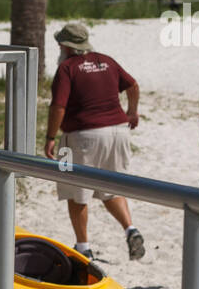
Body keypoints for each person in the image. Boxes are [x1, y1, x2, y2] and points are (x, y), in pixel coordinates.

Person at [43, 22, 145, 261]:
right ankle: (131, 229)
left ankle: (83, 245)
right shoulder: (107, 61)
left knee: (74, 190)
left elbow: (59, 106)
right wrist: (132, 112)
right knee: (111, 188)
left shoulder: (67, 68)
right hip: (118, 132)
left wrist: (50, 138)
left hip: (80, 135)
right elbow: (133, 85)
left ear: (65, 47)